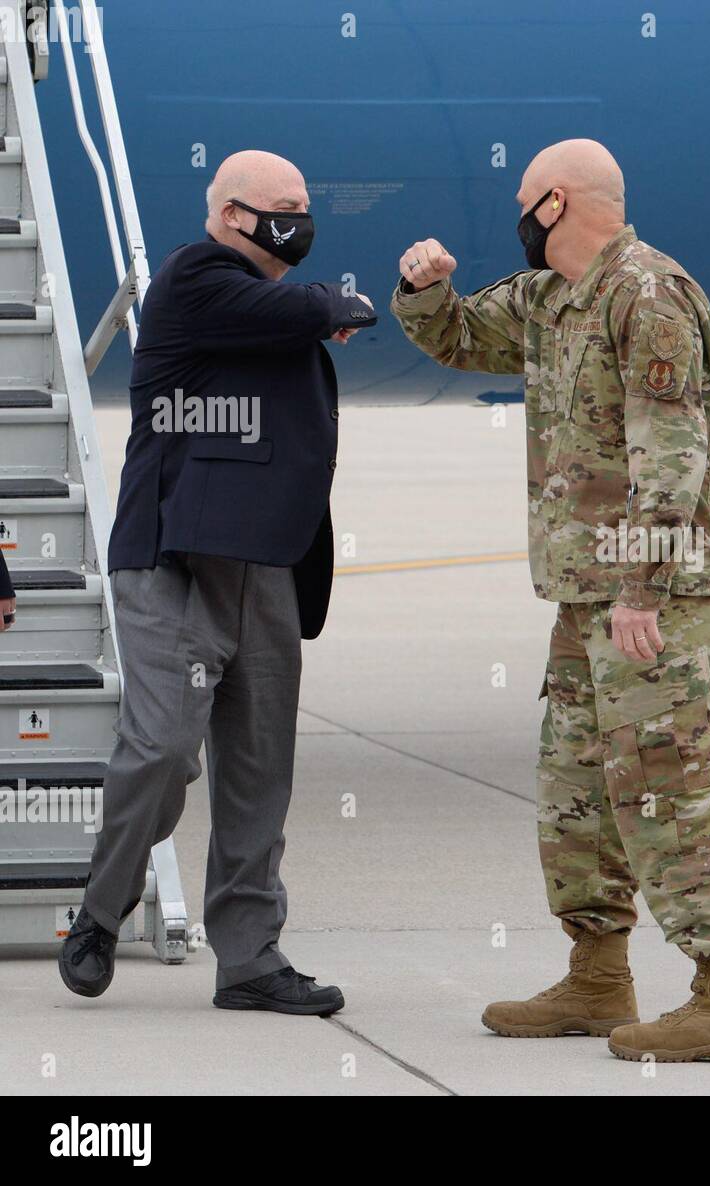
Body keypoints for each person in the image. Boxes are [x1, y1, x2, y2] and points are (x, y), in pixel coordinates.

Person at [392, 138, 710, 1062]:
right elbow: (458, 337)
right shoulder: (551, 297)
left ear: (555, 202)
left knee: (664, 786)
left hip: (653, 595)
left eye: (522, 199)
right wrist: (425, 289)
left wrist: (643, 586)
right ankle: (598, 975)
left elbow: (672, 456)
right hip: (583, 592)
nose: (514, 214)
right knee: (578, 790)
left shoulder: (649, 294)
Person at [58, 150, 376, 1015]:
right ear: (234, 215)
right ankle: (100, 909)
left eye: (307, 205)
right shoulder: (195, 277)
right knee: (163, 746)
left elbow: (287, 324)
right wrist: (340, 305)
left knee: (257, 771)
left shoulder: (269, 309)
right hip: (177, 559)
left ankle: (249, 959)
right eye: (285, 208)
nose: (300, 221)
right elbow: (307, 305)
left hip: (266, 565)